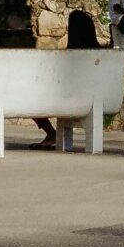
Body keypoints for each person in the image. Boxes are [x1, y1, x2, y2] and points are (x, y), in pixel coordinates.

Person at [34, 10, 104, 150]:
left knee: (32, 97)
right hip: (97, 100)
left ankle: (50, 132)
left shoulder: (68, 56)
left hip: (66, 100)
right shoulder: (104, 55)